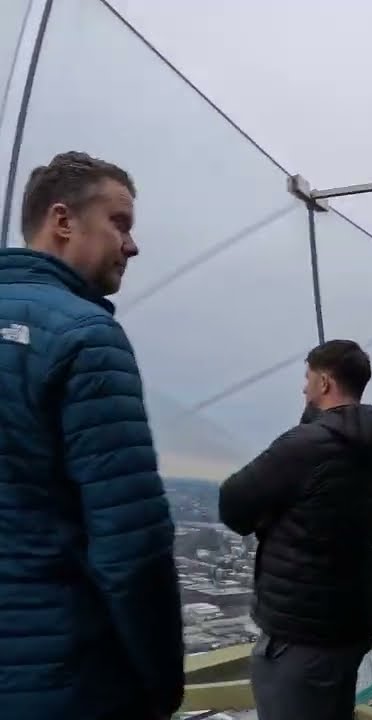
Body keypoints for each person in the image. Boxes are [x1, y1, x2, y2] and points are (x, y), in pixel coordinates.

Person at [0, 151, 184, 719]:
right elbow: (131, 546)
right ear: (62, 221)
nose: (132, 246)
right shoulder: (85, 336)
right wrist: (160, 684)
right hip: (66, 678)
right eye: (120, 223)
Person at [219, 339, 372, 720]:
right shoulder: (371, 453)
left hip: (300, 635)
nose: (304, 388)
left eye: (307, 378)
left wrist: (269, 517)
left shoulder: (306, 446)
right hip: (346, 629)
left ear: (324, 382)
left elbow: (233, 504)